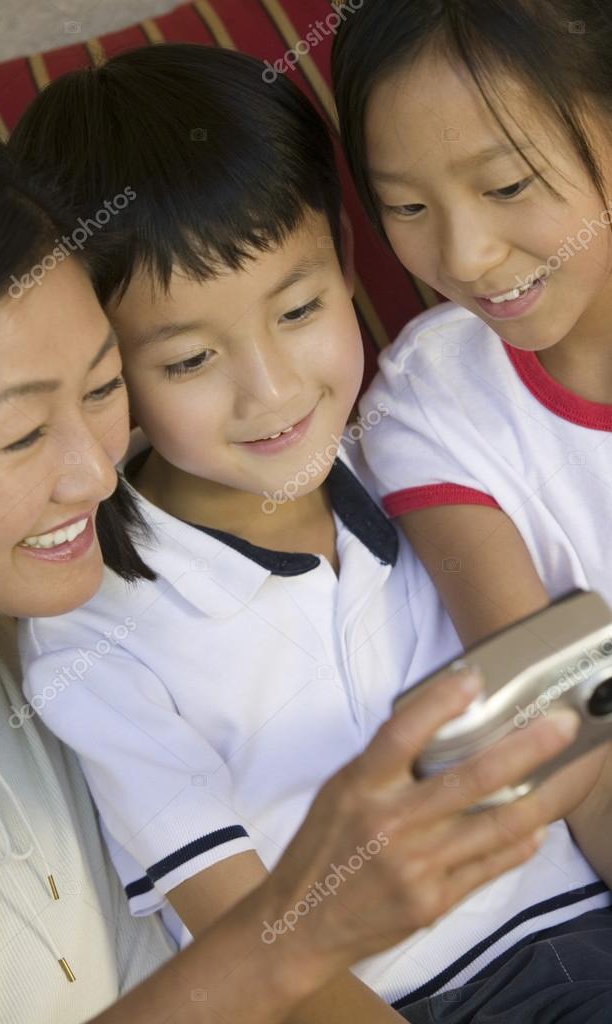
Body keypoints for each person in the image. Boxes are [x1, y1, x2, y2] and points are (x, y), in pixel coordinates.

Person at [7, 44, 611, 1017]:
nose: (274, 389)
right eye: (193, 357)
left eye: (299, 308)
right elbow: (262, 950)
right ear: (98, 367)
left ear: (342, 254)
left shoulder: (414, 464)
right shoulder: (97, 638)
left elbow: (574, 735)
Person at [331, 0, 612, 1018]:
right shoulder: (430, 410)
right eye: (404, 206)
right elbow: (561, 728)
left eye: (506, 185)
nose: (467, 254)